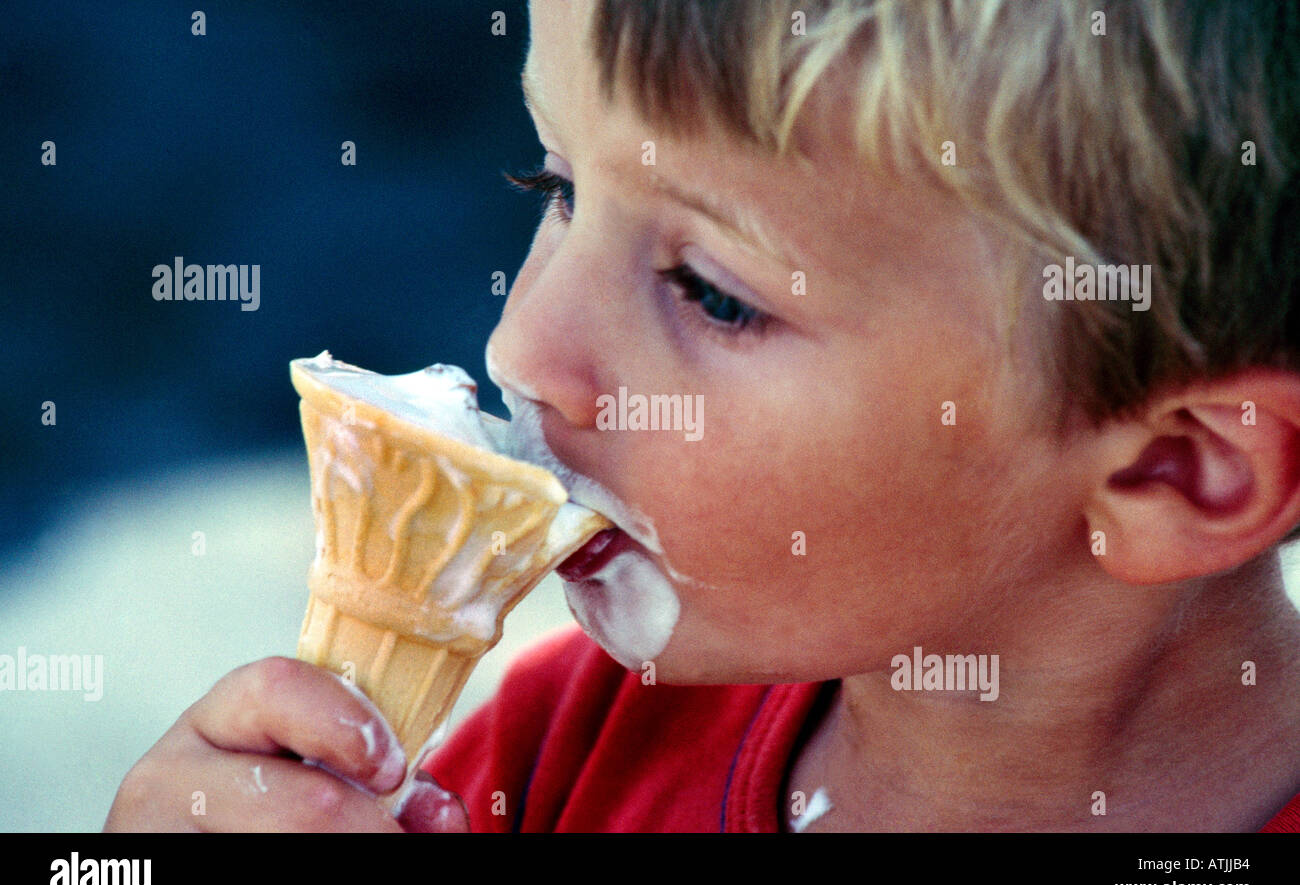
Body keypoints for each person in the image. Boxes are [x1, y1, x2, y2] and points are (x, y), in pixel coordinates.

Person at [105, 0, 1300, 832]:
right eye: (557, 186)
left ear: (1177, 472)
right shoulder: (552, 755)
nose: (523, 346)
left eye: (713, 294)